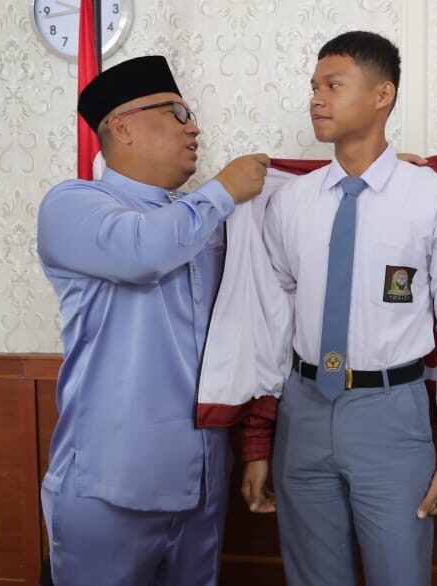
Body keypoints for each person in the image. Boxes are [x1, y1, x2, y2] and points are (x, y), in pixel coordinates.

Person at [246, 31, 437, 586]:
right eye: (313, 87)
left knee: (399, 573)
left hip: (390, 413)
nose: (316, 99)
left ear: (382, 94)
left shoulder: (435, 200)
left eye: (333, 85)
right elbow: (273, 322)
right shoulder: (291, 203)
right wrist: (258, 439)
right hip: (303, 412)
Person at [36, 55, 269, 586]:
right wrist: (222, 190)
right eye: (177, 112)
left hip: (202, 477)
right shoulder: (73, 205)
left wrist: (373, 174)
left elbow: (290, 226)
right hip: (109, 482)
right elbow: (143, 252)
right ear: (122, 127)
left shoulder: (203, 214)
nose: (194, 128)